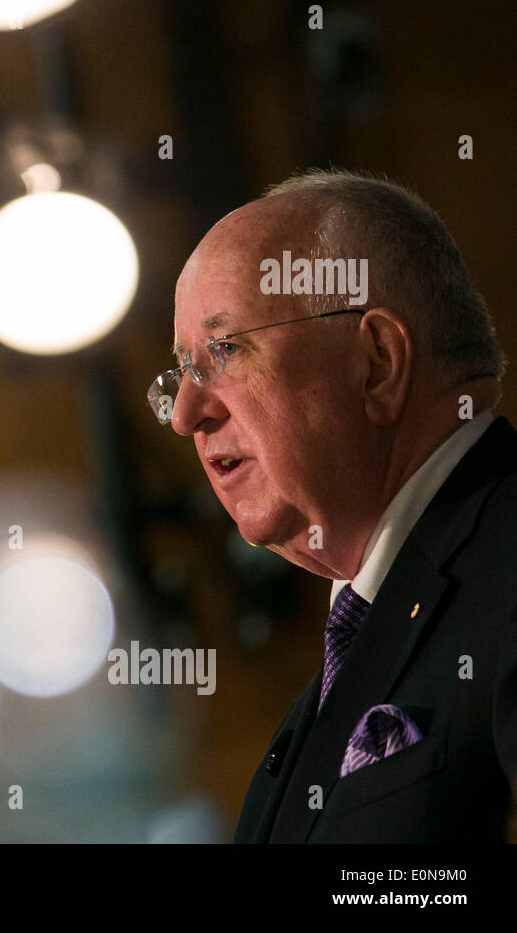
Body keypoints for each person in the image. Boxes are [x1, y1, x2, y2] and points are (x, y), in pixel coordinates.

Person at [151, 168, 517, 841]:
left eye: (225, 350)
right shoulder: (323, 694)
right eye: (181, 373)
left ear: (376, 361)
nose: (186, 415)